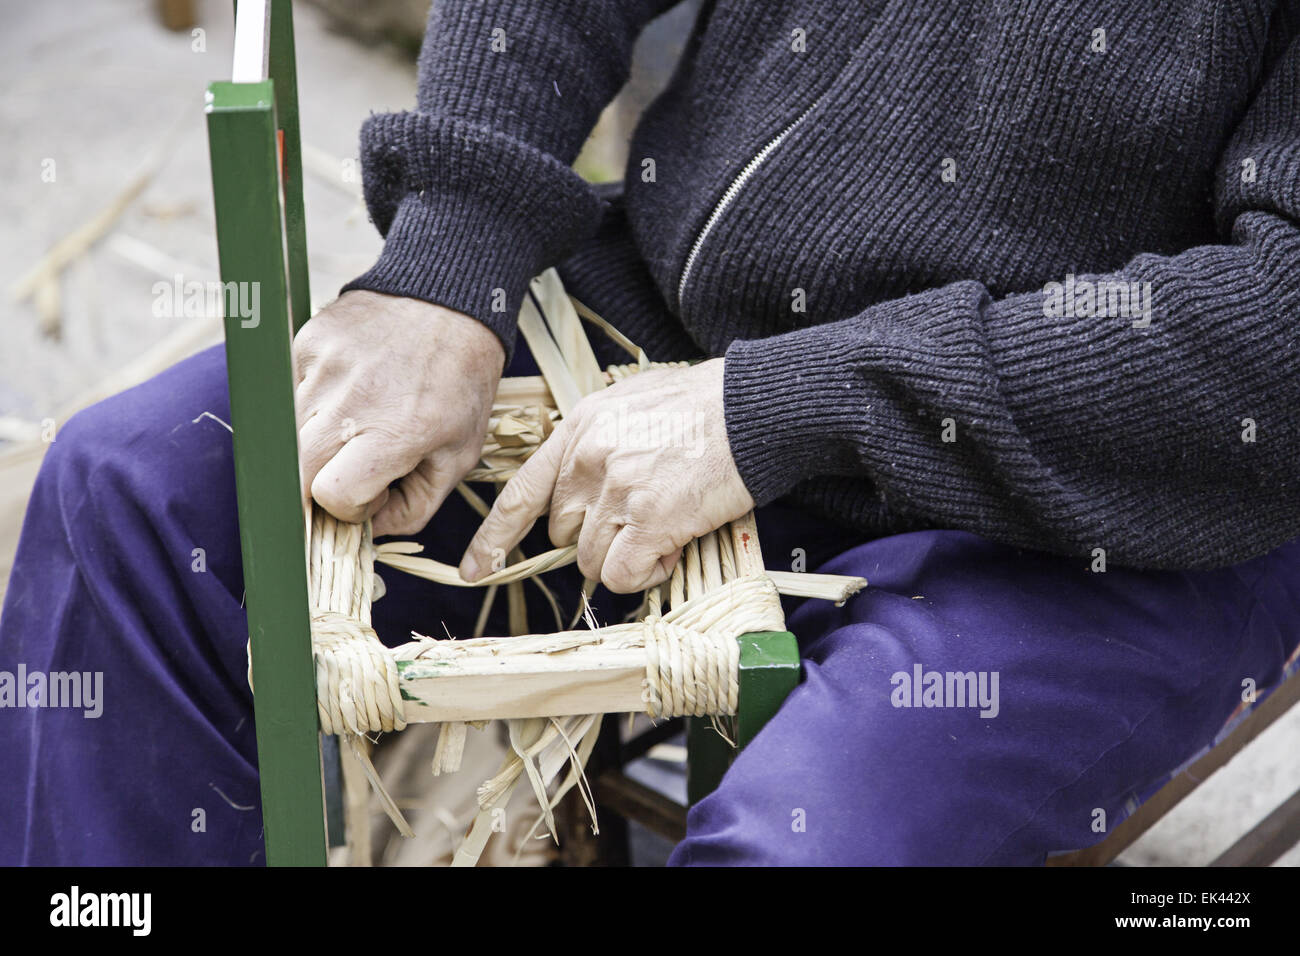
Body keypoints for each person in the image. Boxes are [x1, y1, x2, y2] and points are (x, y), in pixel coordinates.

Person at [3, 0, 1300, 865]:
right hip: (678, 323)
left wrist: (787, 406)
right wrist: (449, 261)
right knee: (131, 498)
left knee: (804, 846)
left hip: (1117, 487)